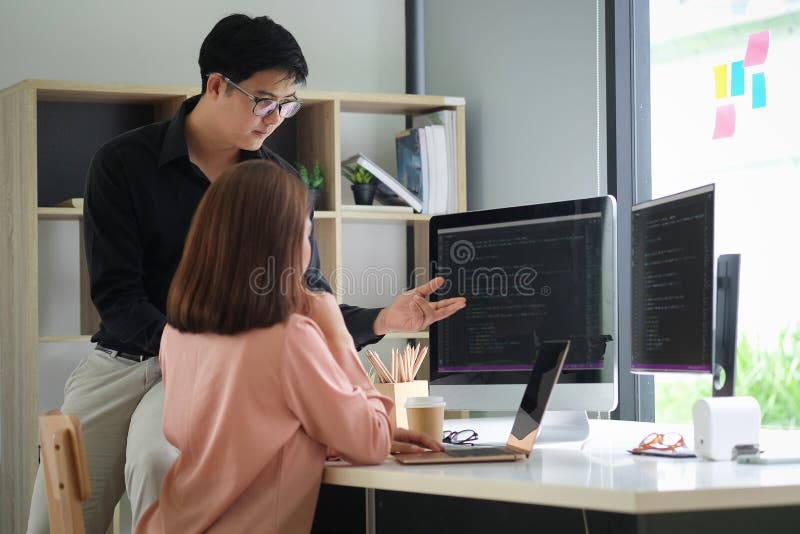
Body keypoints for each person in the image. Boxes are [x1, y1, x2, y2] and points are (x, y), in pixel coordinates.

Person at [27, 13, 464, 534]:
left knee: (157, 464)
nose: (276, 117)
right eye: (264, 100)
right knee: (55, 512)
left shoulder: (277, 181)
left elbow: (303, 298)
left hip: (209, 362)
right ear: (216, 85)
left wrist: (382, 319)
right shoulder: (122, 162)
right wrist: (194, 346)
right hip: (127, 356)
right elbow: (117, 296)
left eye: (287, 103)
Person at [137, 160, 408, 532]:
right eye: (305, 234)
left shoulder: (177, 335)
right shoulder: (289, 338)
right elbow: (373, 443)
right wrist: (337, 337)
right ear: (283, 245)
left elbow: (240, 439)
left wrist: (330, 436)